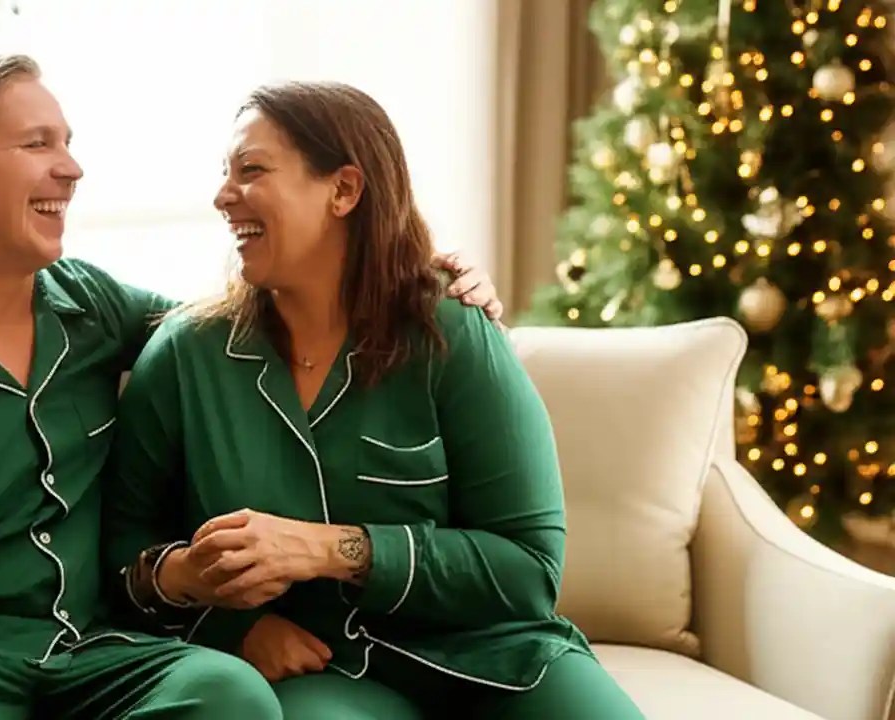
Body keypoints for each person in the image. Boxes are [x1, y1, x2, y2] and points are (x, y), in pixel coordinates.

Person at [0, 55, 504, 720]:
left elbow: (238, 333)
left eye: (68, 143)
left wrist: (404, 274)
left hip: (98, 659)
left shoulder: (91, 306)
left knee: (228, 693)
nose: (71, 168)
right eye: (37, 144)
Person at [102, 80, 646, 719]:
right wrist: (231, 632)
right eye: (225, 174)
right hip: (321, 668)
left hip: (501, 658)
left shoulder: (454, 332)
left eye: (251, 170)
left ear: (344, 189)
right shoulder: (187, 355)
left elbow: (529, 571)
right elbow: (121, 559)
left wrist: (330, 547)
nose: (223, 196)